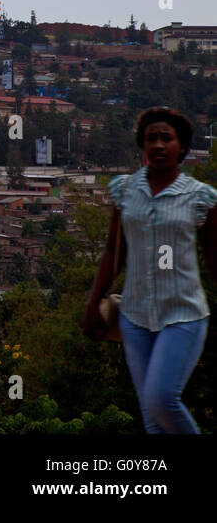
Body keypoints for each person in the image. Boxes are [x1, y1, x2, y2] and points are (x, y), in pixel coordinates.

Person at [81, 107, 217, 433]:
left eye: (166, 138)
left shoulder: (199, 198)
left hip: (183, 314)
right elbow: (114, 251)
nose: (158, 145)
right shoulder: (126, 191)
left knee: (160, 398)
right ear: (142, 145)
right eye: (150, 138)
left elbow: (215, 259)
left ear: (181, 147)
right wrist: (93, 303)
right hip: (135, 316)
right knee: (152, 422)